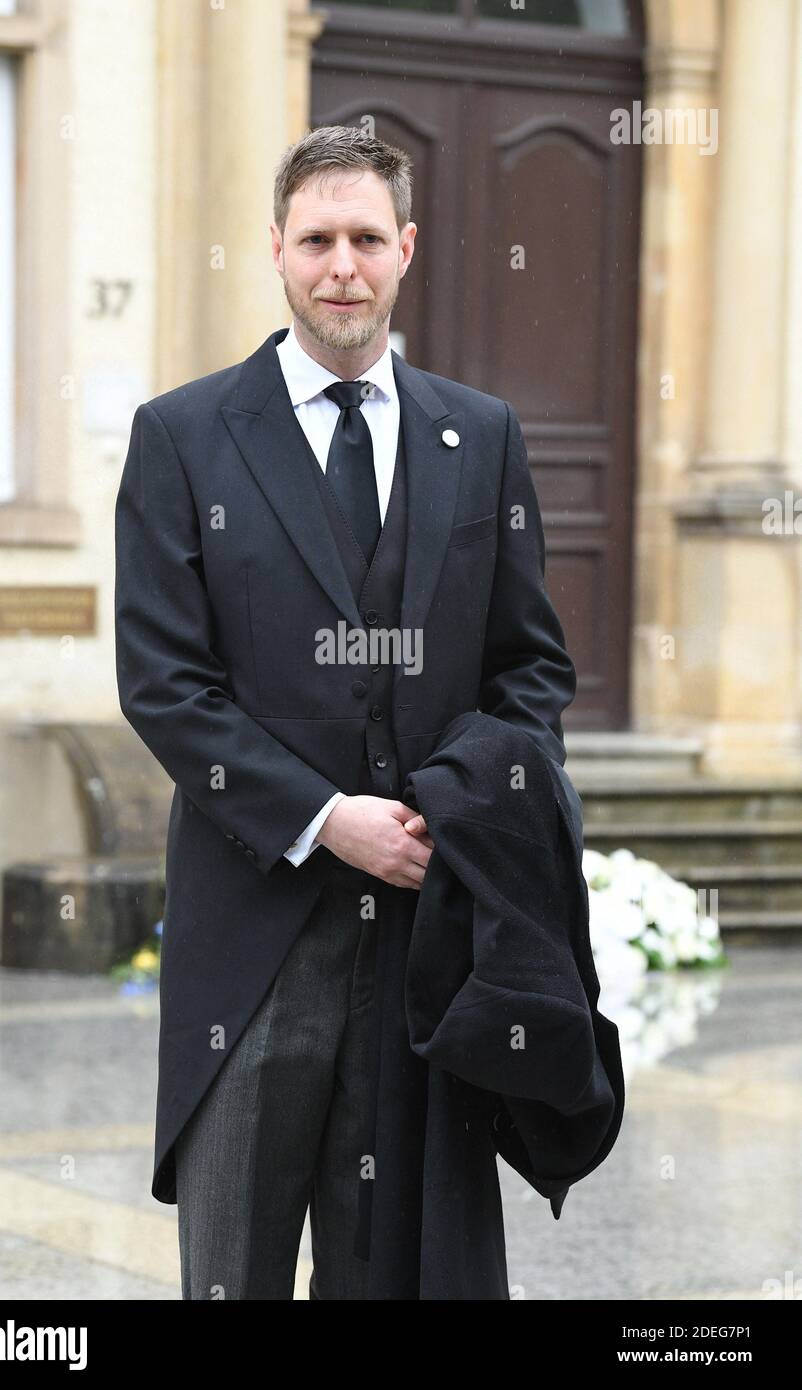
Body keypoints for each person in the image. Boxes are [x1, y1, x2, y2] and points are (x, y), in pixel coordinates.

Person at [114, 124, 577, 1299]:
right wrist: (328, 819)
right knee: (236, 1273)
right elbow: (165, 684)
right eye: (315, 239)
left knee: (397, 1276)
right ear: (275, 247)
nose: (341, 267)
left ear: (406, 248)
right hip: (252, 948)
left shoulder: (481, 437)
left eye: (366, 239)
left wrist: (458, 807)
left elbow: (529, 672)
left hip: (425, 948)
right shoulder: (181, 437)